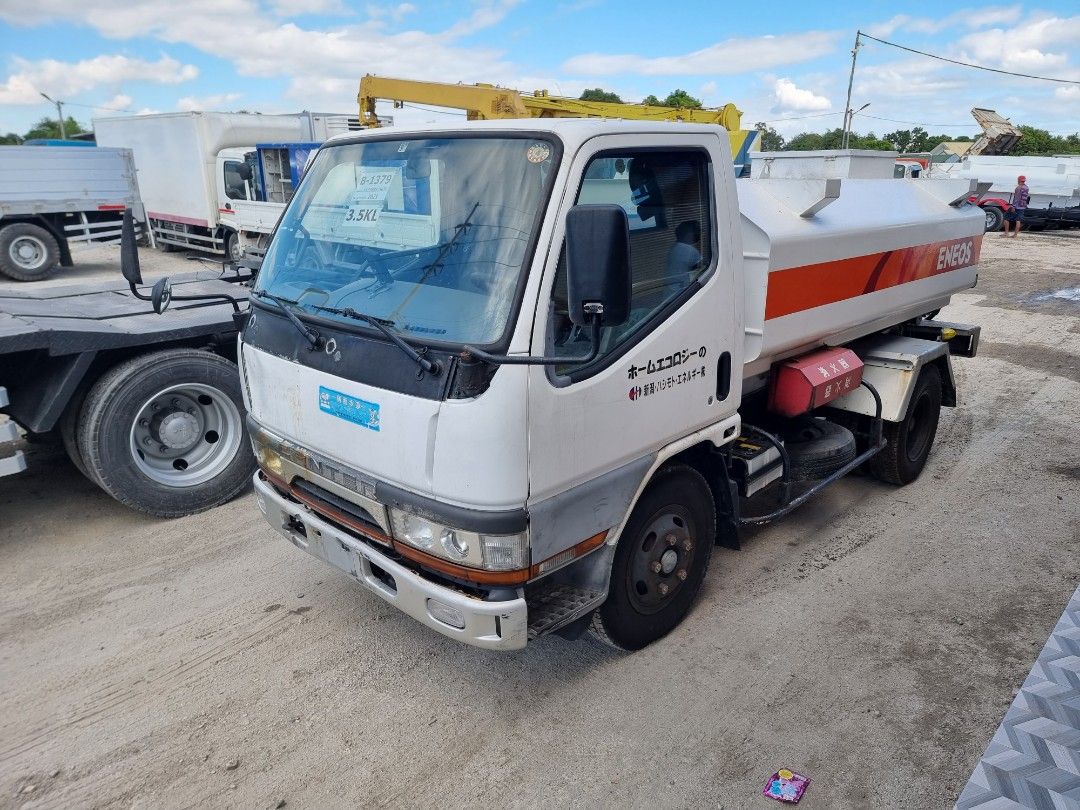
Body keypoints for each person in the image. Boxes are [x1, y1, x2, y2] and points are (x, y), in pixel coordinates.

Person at [665, 220, 702, 297]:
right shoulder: (691, 251)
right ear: (689, 235)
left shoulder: (674, 247)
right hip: (682, 291)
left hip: (670, 289)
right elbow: (701, 270)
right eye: (698, 232)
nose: (699, 234)